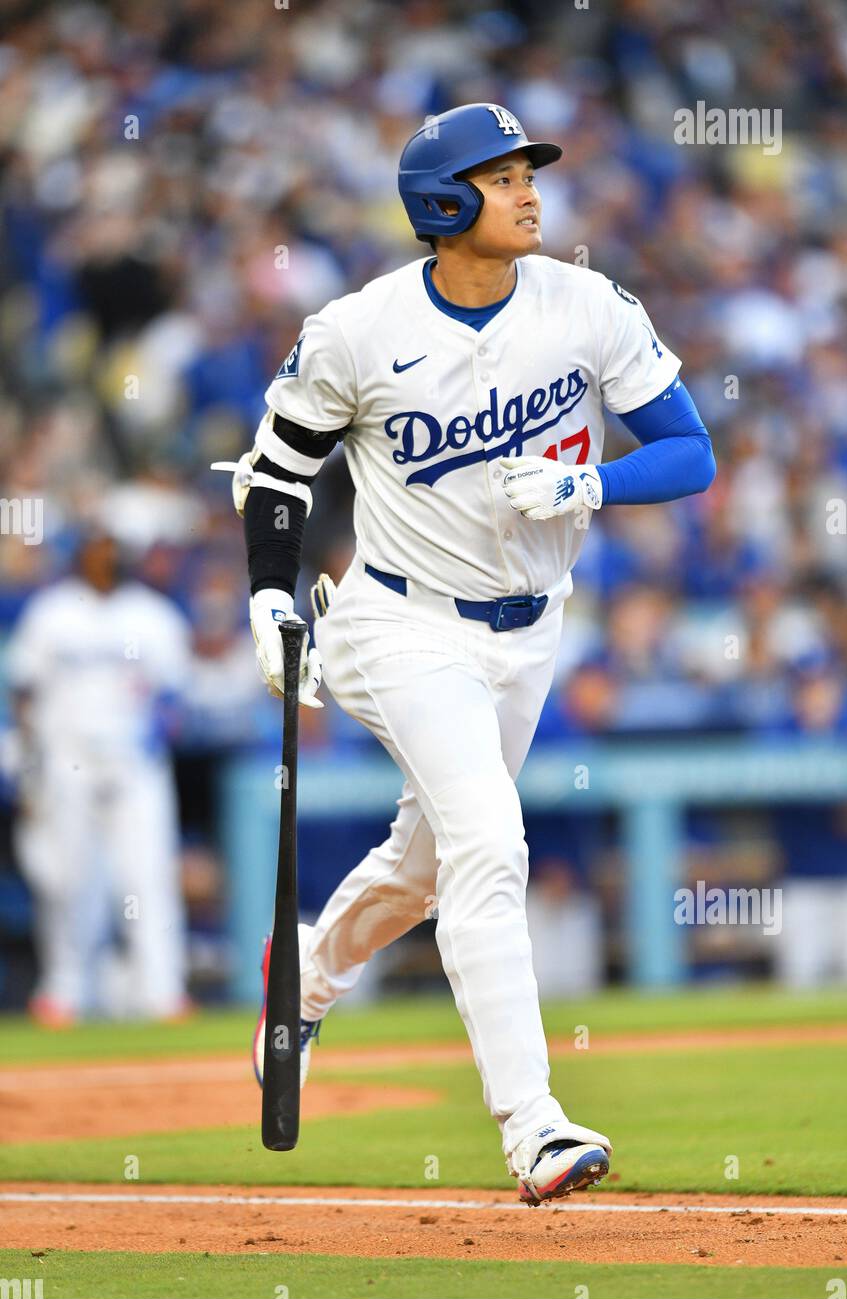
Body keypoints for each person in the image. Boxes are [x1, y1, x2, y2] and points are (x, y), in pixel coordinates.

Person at [220, 104, 715, 1205]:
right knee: (489, 839)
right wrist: (267, 597)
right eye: (500, 178)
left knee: (428, 859)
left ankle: (303, 976)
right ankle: (532, 1127)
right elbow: (278, 469)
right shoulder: (359, 327)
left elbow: (690, 452)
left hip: (528, 626)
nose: (529, 190)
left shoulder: (582, 304)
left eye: (526, 171)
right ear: (442, 205)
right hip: (396, 619)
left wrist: (590, 482)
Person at [7, 528, 192, 1024]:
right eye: (95, 548)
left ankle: (163, 991)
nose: (103, 557)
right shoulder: (52, 613)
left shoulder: (151, 615)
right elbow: (23, 693)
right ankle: (65, 991)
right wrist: (30, 769)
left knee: (147, 875)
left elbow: (174, 695)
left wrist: (156, 731)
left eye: (111, 549)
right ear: (79, 555)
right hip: (66, 762)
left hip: (135, 764)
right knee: (70, 878)